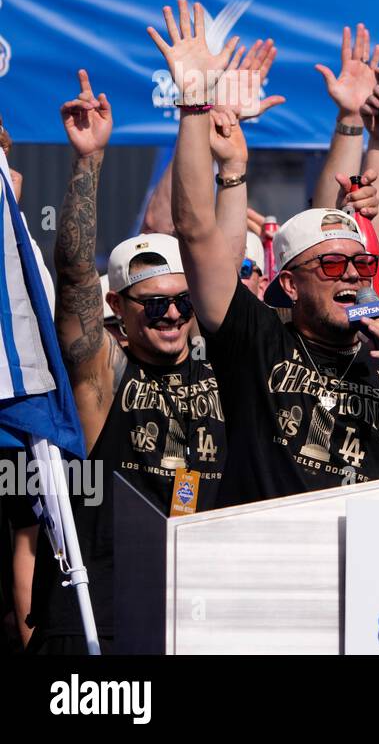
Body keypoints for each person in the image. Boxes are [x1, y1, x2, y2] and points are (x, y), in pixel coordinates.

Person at [152, 0, 379, 506]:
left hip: (375, 571)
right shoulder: (256, 339)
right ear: (288, 283)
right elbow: (193, 228)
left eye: (362, 265)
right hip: (278, 566)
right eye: (331, 264)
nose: (350, 277)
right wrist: (197, 107)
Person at [28, 69, 229, 654]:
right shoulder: (104, 375)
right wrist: (88, 162)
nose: (171, 315)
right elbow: (72, 277)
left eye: (183, 302)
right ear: (117, 305)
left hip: (199, 614)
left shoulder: (221, 365)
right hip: (100, 619)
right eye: (154, 304)